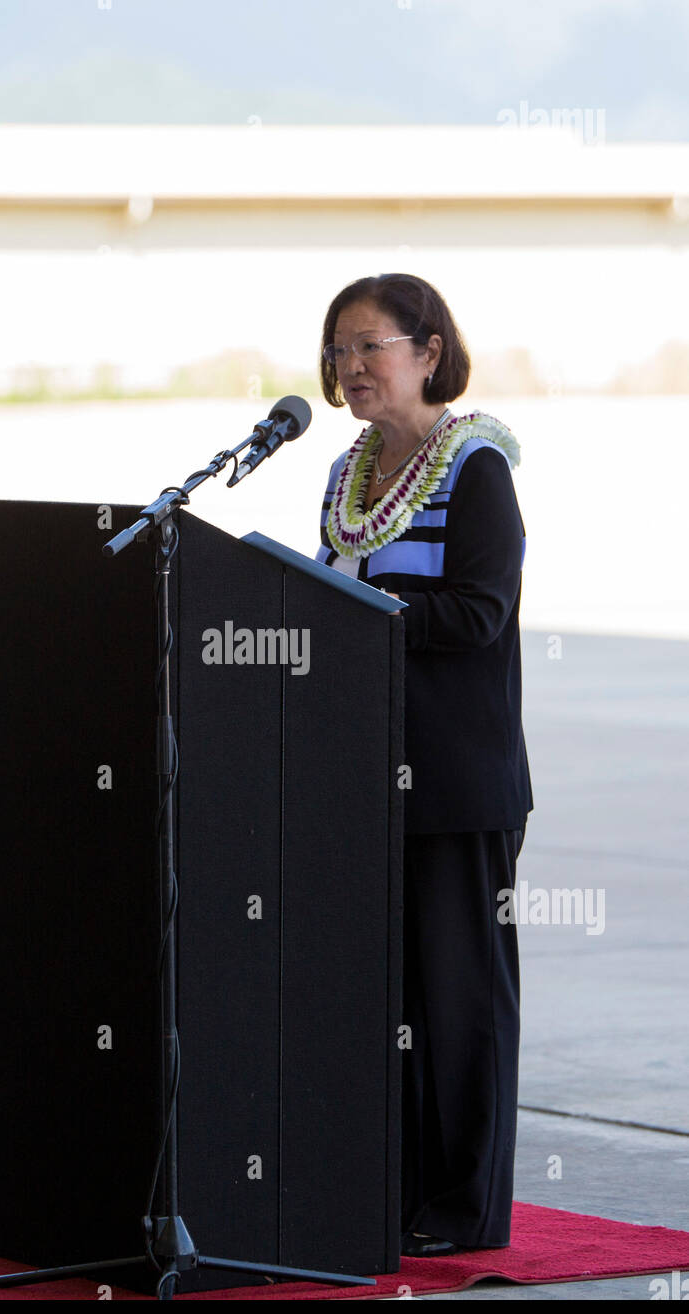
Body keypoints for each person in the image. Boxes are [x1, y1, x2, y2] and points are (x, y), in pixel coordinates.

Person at [314, 272, 534, 1256]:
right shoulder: (345, 473)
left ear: (428, 351)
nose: (350, 366)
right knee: (383, 1001)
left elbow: (480, 612)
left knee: (457, 1001)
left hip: (454, 778)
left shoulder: (474, 464)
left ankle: (463, 1209)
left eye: (369, 346)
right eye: (337, 350)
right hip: (364, 770)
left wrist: (364, 618)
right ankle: (390, 1190)